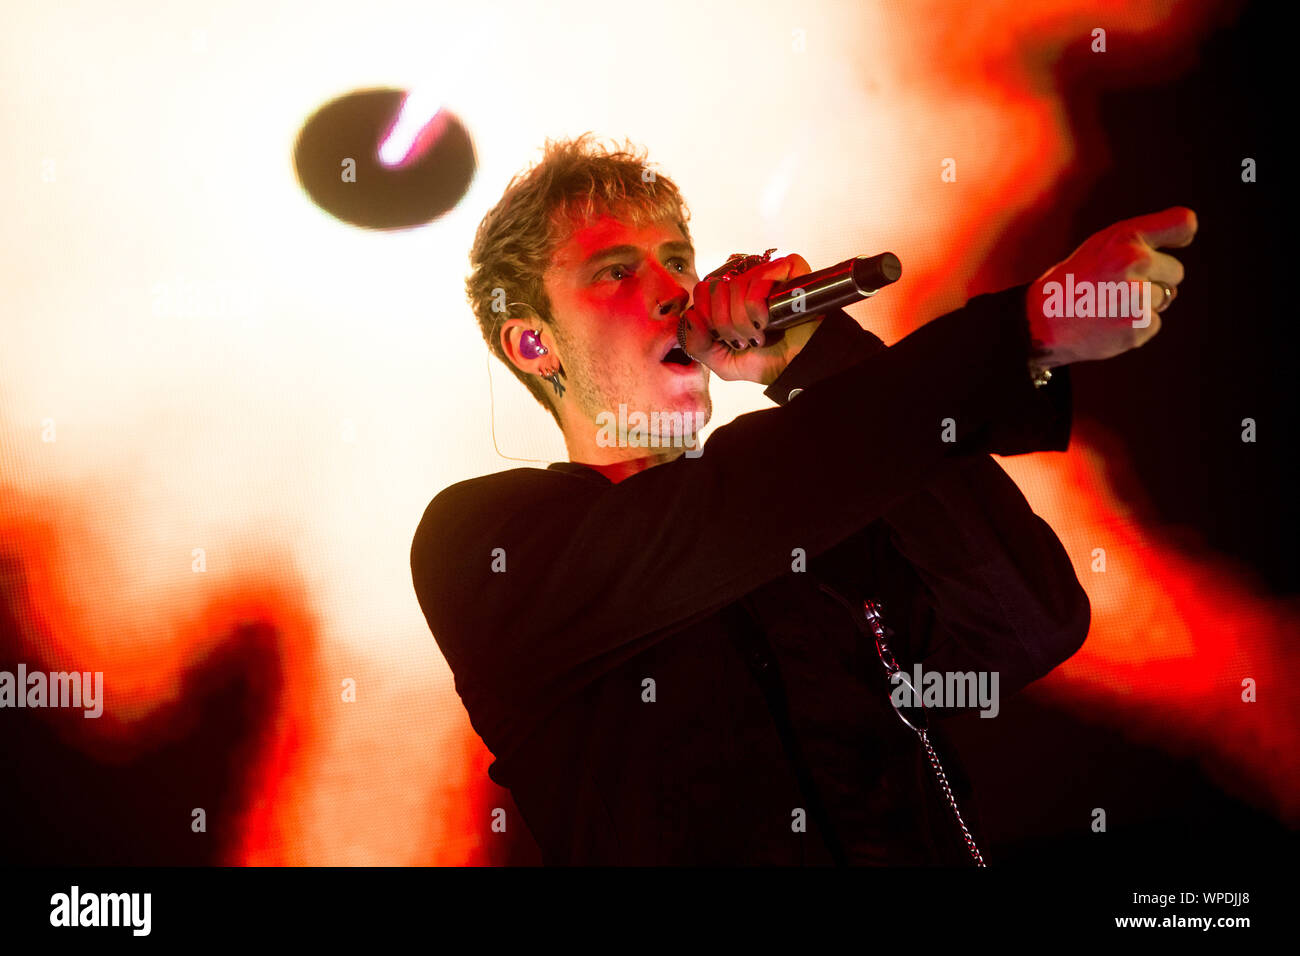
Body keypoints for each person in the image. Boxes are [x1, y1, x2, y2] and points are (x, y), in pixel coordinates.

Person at [409, 133, 1196, 865]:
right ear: (533, 341)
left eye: (678, 259)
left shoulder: (824, 521)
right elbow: (742, 503)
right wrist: (1021, 330)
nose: (672, 291)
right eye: (616, 270)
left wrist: (817, 356)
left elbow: (1030, 623)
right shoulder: (482, 542)